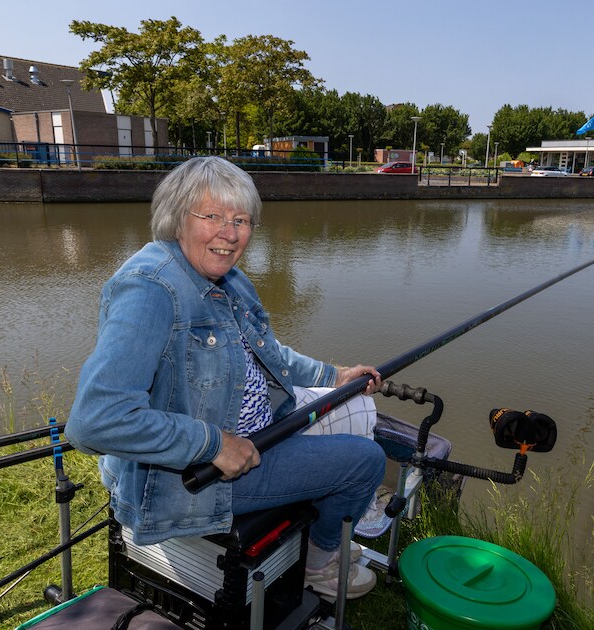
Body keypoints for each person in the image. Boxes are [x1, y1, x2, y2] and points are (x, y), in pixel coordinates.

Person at [65, 156, 386, 600]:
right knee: (365, 461)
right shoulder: (149, 290)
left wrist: (335, 375)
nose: (230, 234)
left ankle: (327, 527)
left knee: (354, 407)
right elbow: (95, 421)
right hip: (192, 477)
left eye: (241, 220)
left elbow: (269, 353)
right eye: (212, 216)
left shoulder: (229, 279)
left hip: (264, 430)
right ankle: (319, 565)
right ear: (177, 218)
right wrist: (213, 445)